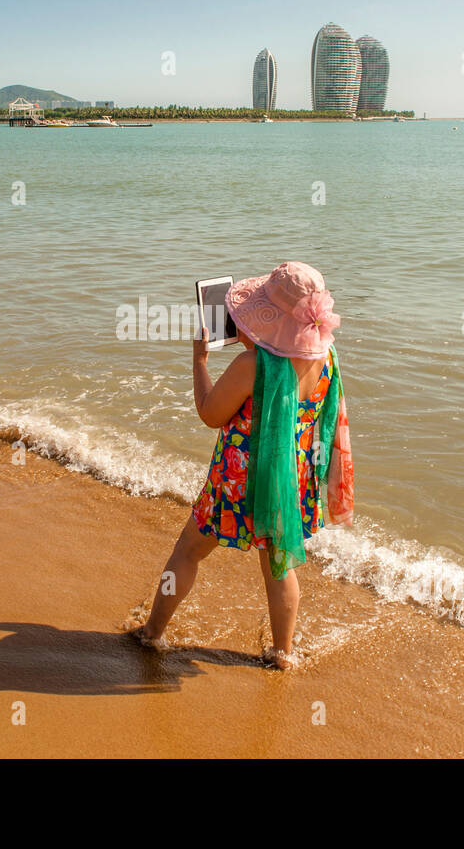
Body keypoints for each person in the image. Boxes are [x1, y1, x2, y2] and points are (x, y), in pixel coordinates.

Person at [133, 262, 353, 669]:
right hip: (289, 480)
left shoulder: (251, 367)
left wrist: (199, 361)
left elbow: (210, 413)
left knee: (189, 550)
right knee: (278, 562)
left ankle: (151, 634)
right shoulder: (326, 356)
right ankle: (283, 653)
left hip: (238, 481)